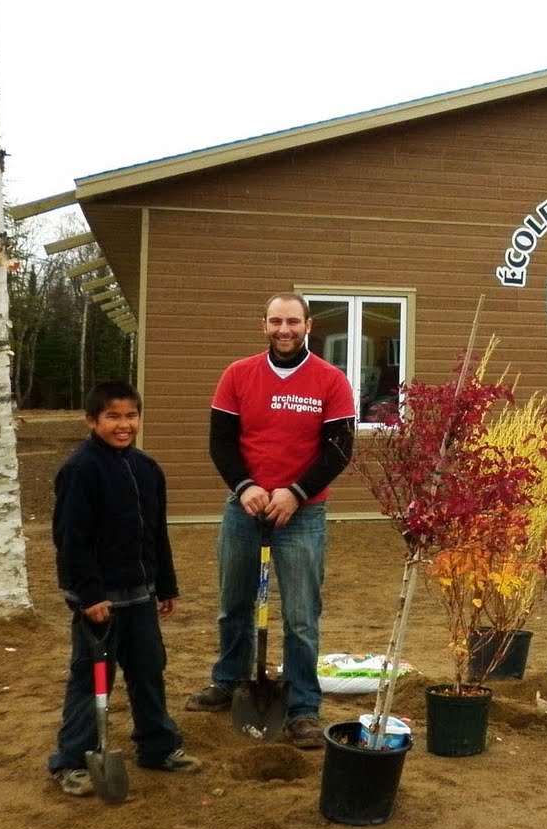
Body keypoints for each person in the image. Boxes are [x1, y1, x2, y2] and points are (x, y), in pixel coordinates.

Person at [187, 292, 356, 749]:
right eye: (276, 322)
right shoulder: (238, 375)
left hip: (303, 514)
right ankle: (227, 681)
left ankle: (302, 708)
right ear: (264, 324)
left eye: (293, 322)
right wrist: (246, 487)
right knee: (233, 605)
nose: (285, 330)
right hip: (245, 509)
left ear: (308, 325)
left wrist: (296, 494)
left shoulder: (330, 380)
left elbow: (340, 448)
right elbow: (221, 442)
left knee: (301, 616)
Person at [48, 381, 200, 797]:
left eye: (131, 415)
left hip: (141, 596)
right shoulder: (80, 470)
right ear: (92, 420)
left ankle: (157, 746)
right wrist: (90, 594)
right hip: (98, 602)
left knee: (149, 669)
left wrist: (165, 584)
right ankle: (72, 761)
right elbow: (71, 539)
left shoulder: (147, 469)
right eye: (113, 416)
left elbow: (156, 534)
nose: (123, 424)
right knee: (91, 678)